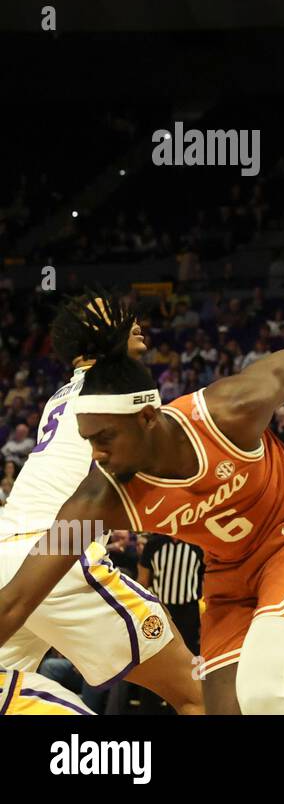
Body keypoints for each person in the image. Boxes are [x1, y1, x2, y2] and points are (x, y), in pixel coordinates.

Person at [0, 294, 284, 715]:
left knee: (261, 695)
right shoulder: (102, 481)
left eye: (102, 441)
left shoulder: (223, 410)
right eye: (118, 317)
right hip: (201, 567)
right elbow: (21, 594)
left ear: (146, 415)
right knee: (212, 705)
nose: (96, 454)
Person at [0, 295, 201, 716]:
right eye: (119, 316)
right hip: (55, 549)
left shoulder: (60, 394)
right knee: (197, 693)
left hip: (7, 547)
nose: (135, 321)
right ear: (95, 335)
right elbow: (174, 457)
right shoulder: (119, 381)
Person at [137, 533, 205, 656]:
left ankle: (194, 675)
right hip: (161, 609)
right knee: (162, 651)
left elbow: (206, 580)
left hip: (189, 609)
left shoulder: (197, 544)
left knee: (191, 651)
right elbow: (143, 581)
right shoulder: (153, 543)